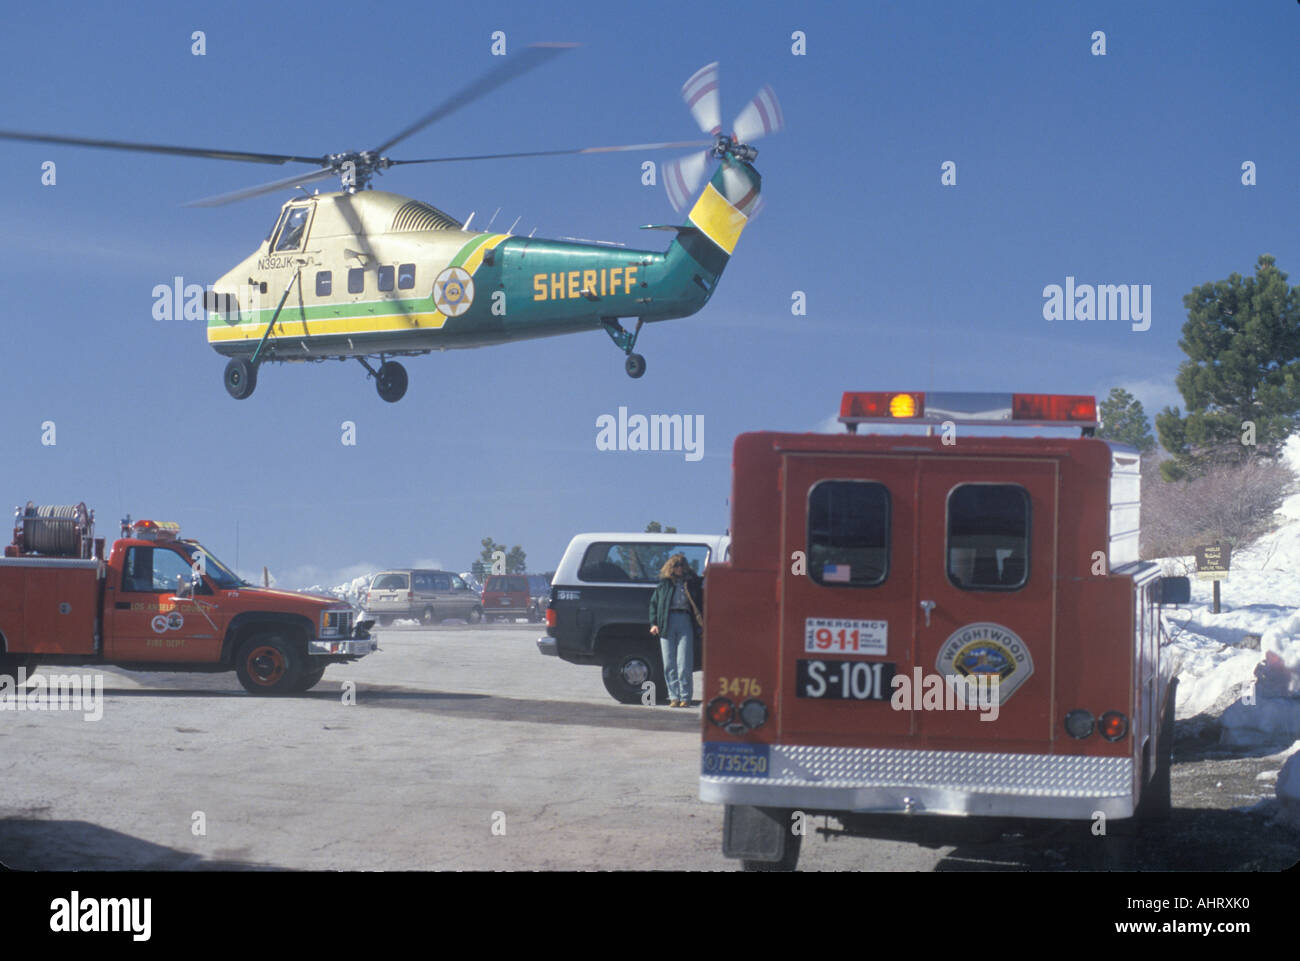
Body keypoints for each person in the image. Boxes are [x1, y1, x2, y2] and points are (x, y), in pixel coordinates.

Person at [648, 553, 703, 707]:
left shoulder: (690, 583)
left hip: (685, 619)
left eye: (681, 565)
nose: (679, 568)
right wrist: (653, 623)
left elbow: (700, 591)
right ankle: (674, 696)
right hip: (667, 621)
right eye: (676, 565)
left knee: (684, 661)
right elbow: (653, 604)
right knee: (668, 662)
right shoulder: (664, 585)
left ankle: (685, 697)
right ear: (671, 567)